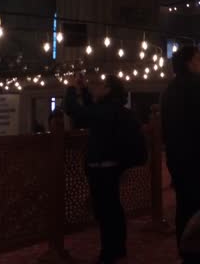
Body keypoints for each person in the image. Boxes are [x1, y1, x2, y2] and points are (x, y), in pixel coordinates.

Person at [64, 74, 131, 264]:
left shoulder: (105, 110)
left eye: (100, 85)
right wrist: (84, 90)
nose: (96, 87)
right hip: (113, 166)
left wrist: (71, 89)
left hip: (102, 168)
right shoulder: (114, 108)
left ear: (108, 90)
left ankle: (108, 253)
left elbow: (76, 112)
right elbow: (91, 110)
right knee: (113, 208)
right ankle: (118, 248)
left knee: (105, 212)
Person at [161, 46, 200, 264]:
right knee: (198, 208)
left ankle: (185, 252)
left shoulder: (169, 89)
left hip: (176, 158)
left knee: (183, 206)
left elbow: (166, 128)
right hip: (196, 159)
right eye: (198, 58)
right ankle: (196, 254)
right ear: (189, 62)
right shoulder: (196, 86)